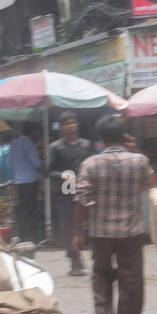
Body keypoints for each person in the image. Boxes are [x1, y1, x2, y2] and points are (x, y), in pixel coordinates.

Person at [73, 115, 153, 314]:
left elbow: (80, 199)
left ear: (101, 139)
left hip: (100, 232)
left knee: (101, 275)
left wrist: (78, 232)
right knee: (132, 282)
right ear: (124, 135)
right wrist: (136, 149)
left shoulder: (90, 164)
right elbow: (148, 181)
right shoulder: (138, 160)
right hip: (131, 232)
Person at [48, 111, 93, 276]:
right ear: (61, 128)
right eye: (67, 123)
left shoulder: (86, 145)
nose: (71, 125)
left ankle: (86, 255)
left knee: (87, 224)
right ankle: (74, 259)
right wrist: (62, 175)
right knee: (69, 226)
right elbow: (48, 171)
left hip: (85, 187)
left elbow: (92, 164)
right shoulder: (55, 147)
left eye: (73, 122)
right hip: (66, 189)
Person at [9, 121, 43, 243]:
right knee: (30, 211)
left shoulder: (13, 143)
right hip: (30, 181)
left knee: (21, 211)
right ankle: (31, 238)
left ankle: (22, 236)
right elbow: (36, 163)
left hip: (18, 181)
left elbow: (11, 162)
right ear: (33, 132)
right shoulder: (29, 144)